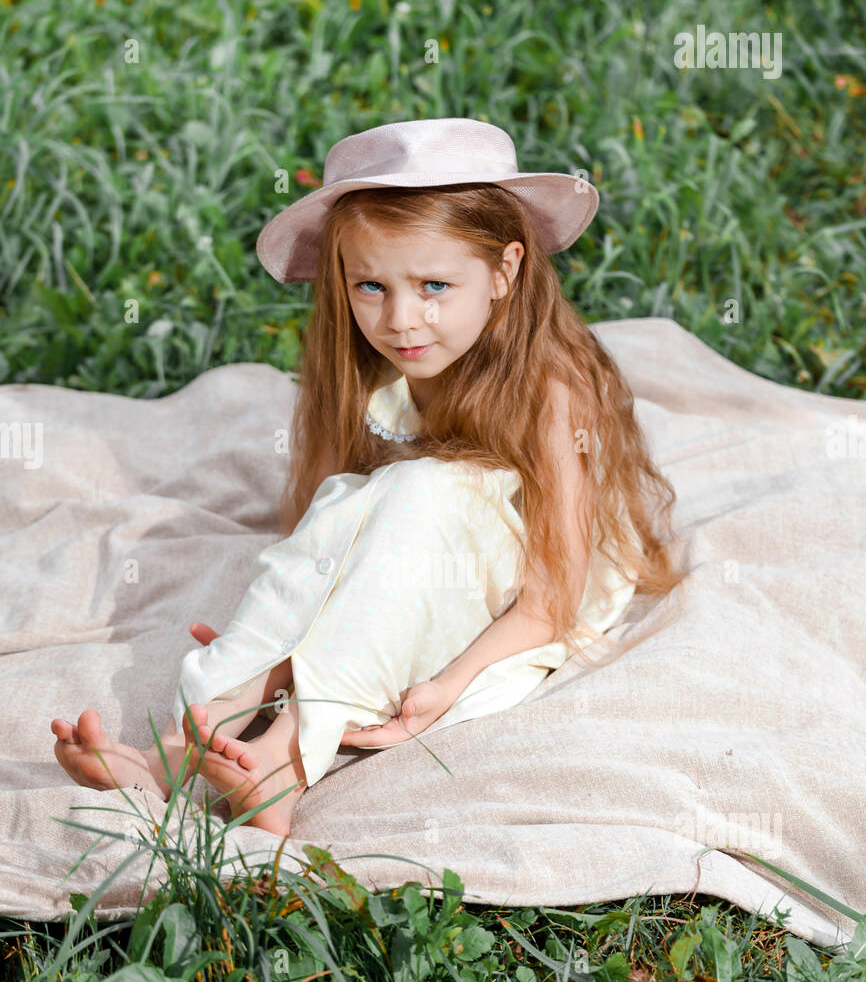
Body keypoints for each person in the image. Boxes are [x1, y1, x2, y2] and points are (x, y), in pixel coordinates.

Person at [51, 117, 686, 834]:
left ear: (506, 271)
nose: (402, 319)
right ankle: (180, 745)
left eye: (436, 285)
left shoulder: (550, 392)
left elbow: (551, 599)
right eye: (371, 287)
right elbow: (327, 521)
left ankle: (281, 765)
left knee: (425, 485)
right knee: (349, 505)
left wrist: (448, 685)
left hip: (523, 586)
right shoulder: (371, 365)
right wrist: (284, 628)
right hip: (412, 555)